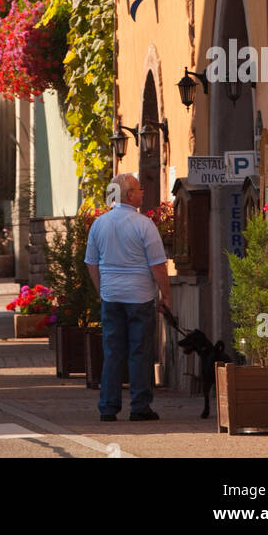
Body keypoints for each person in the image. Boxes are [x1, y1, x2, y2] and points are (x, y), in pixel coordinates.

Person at [84, 173, 171, 423]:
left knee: (112, 352)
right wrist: (166, 295)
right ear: (130, 195)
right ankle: (139, 406)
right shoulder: (144, 224)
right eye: (140, 189)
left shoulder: (100, 224)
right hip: (139, 296)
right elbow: (158, 265)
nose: (143, 193)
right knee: (140, 351)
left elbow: (91, 262)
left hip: (111, 295)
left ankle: (108, 408)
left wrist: (101, 290)